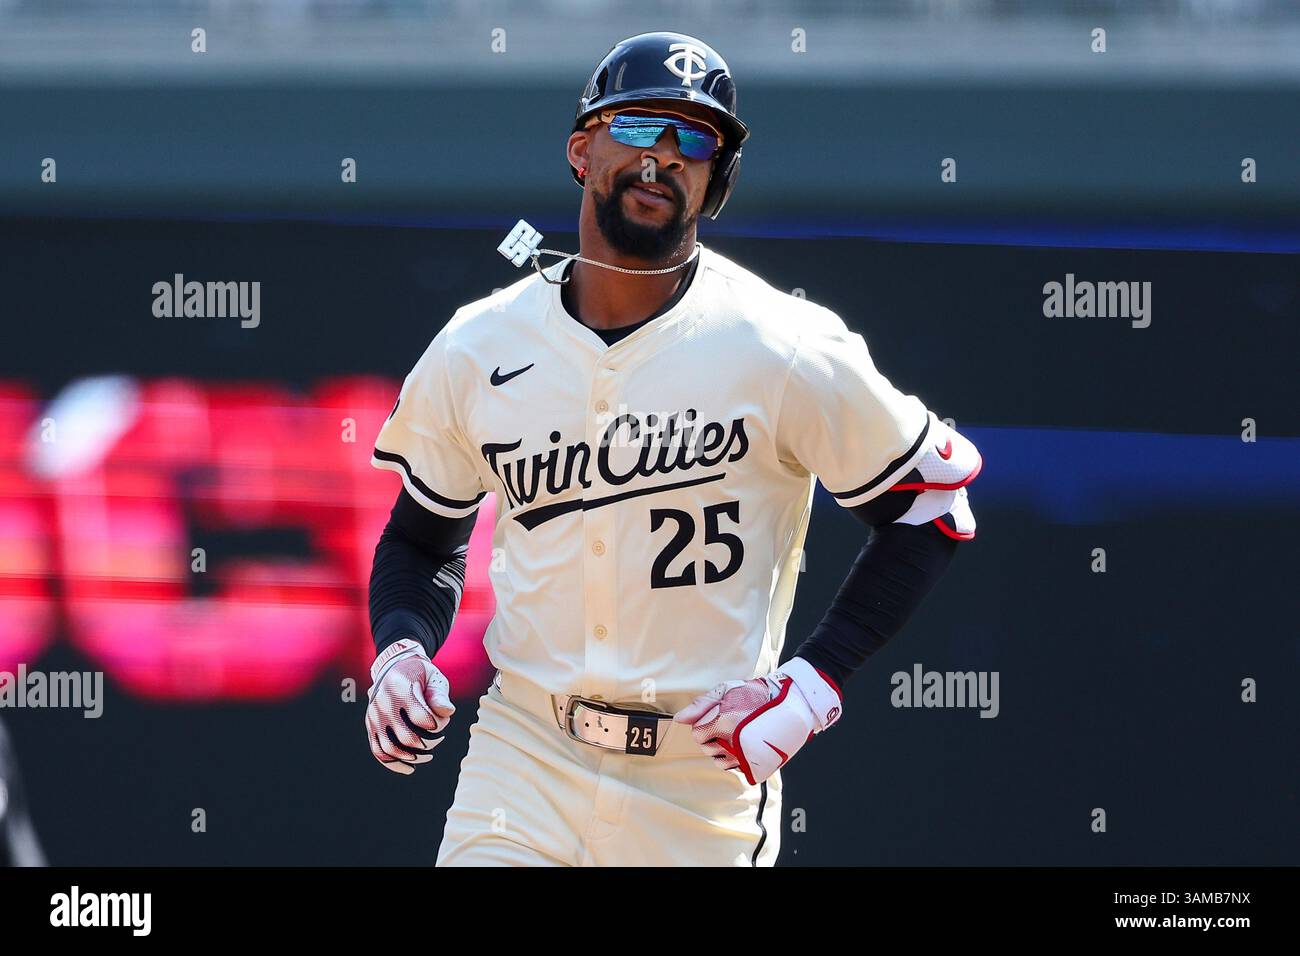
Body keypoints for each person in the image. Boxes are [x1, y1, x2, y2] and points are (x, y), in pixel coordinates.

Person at [364, 31, 980, 866]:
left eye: (694, 139)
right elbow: (421, 538)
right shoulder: (480, 344)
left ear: (714, 181)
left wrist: (815, 681)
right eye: (639, 126)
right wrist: (402, 649)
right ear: (582, 149)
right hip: (527, 753)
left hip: (702, 784)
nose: (662, 156)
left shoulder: (780, 343)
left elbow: (932, 507)